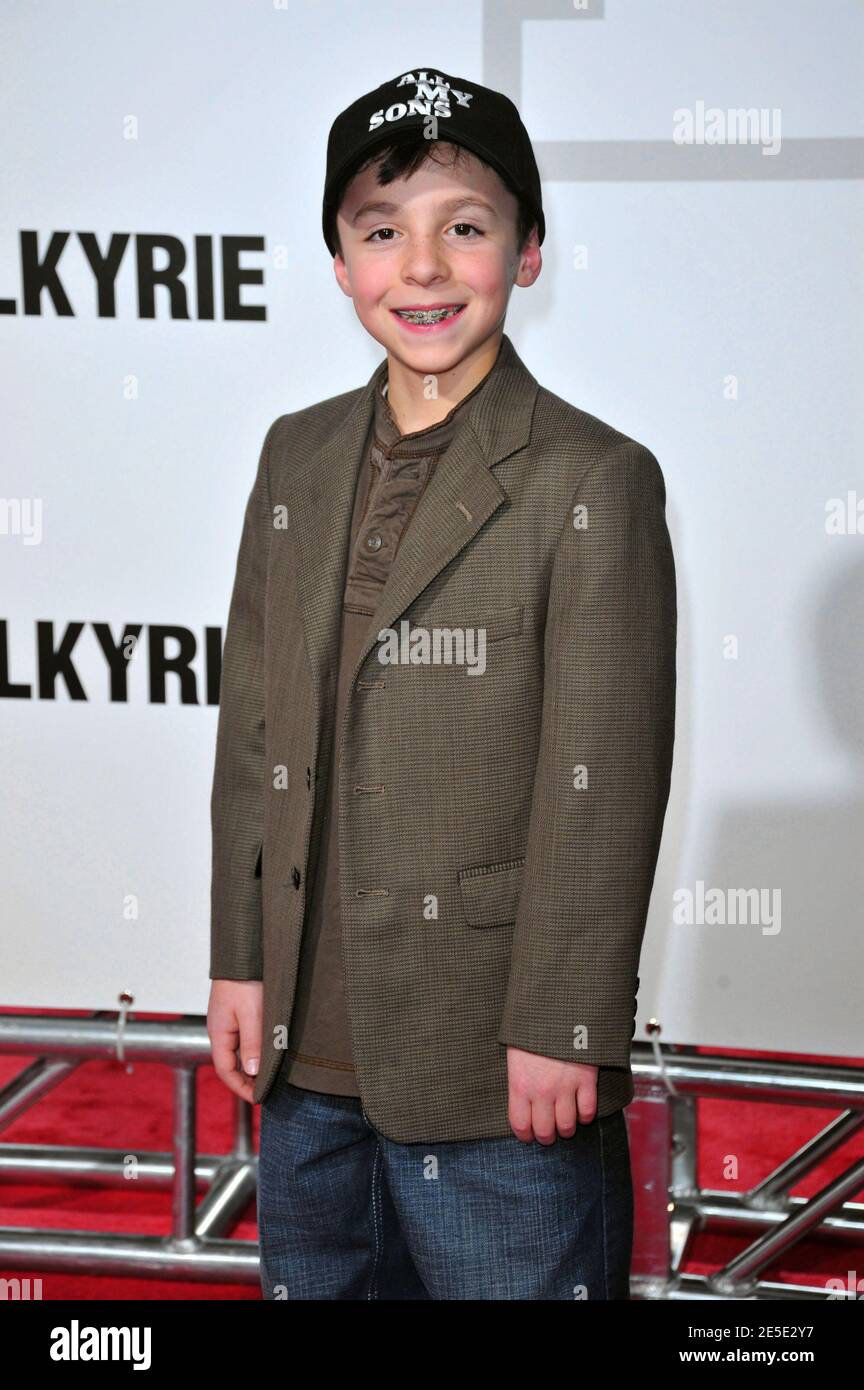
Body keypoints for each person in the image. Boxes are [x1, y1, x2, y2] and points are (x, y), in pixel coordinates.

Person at [207, 67, 677, 1300]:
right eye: (381, 232)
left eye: (462, 227)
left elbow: (604, 780)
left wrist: (565, 1020)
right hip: (309, 1060)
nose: (421, 266)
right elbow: (253, 730)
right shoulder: (294, 453)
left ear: (525, 254)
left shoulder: (593, 477)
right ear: (341, 264)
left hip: (493, 1069)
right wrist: (239, 956)